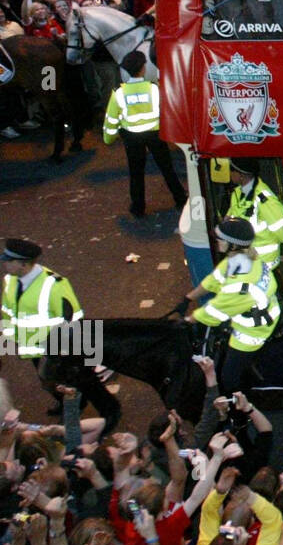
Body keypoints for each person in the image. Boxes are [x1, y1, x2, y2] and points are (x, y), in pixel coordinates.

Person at [0, 238, 116, 426]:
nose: (4, 263)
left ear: (23, 264)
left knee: (83, 381)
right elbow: (9, 311)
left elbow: (73, 316)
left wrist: (67, 350)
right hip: (34, 347)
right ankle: (68, 403)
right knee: (50, 382)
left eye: (8, 260)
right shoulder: (10, 280)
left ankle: (109, 410)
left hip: (58, 348)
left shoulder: (54, 285)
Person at [182, 218, 280, 393]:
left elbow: (216, 312)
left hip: (253, 332)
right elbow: (215, 279)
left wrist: (189, 319)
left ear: (233, 245)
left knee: (228, 379)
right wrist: (188, 298)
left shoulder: (242, 281)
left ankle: (239, 415)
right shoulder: (242, 258)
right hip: (254, 312)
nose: (217, 242)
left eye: (220, 239)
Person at [101, 49, 187, 218]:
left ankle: (138, 207)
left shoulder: (119, 93)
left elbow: (111, 120)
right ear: (142, 69)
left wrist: (109, 138)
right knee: (167, 168)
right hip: (154, 135)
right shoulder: (153, 89)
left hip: (132, 137)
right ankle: (180, 198)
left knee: (136, 173)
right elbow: (166, 112)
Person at [224, 158, 283, 269]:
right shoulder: (236, 193)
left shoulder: (263, 198)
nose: (230, 174)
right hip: (246, 261)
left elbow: (281, 227)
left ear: (241, 175)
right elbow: (233, 215)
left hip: (265, 263)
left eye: (232, 171)